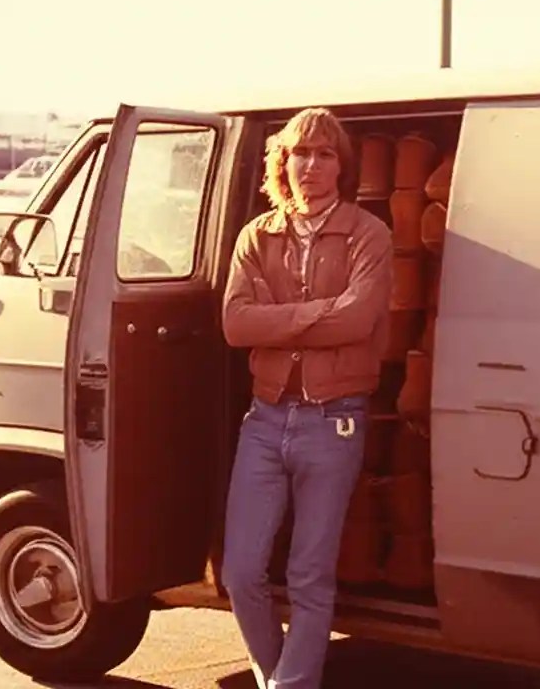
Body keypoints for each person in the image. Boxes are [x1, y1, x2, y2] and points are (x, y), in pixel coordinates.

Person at [220, 107, 394, 688]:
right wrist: (319, 312)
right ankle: (281, 680)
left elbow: (359, 319)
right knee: (241, 572)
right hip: (265, 419)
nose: (311, 165)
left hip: (334, 421)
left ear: (341, 167)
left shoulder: (368, 233)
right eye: (300, 153)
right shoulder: (256, 236)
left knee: (309, 576)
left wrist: (279, 319)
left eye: (324, 155)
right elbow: (236, 324)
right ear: (283, 162)